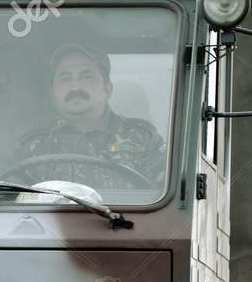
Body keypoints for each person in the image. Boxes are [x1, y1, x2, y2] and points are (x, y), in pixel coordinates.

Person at [12, 44, 165, 187]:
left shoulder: (143, 139)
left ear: (107, 89)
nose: (75, 87)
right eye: (65, 78)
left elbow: (163, 201)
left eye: (87, 77)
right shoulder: (32, 147)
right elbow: (13, 202)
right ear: (53, 93)